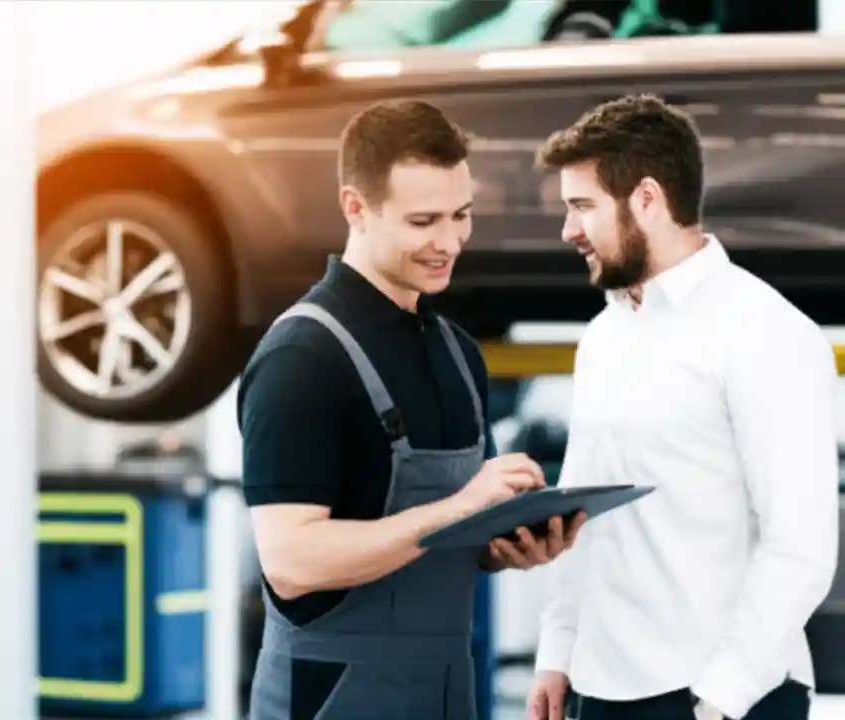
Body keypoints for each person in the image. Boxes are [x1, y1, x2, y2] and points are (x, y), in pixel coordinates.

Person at [237, 98, 585, 720]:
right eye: (423, 220)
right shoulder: (302, 357)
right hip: (332, 694)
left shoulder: (458, 356)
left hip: (448, 688)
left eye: (461, 215)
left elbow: (447, 539)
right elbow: (291, 563)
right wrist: (460, 508)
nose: (448, 242)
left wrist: (507, 543)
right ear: (355, 208)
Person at [526, 94, 840, 720]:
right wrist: (557, 652)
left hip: (721, 695)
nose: (567, 230)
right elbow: (582, 511)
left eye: (582, 206)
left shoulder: (766, 332)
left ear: (647, 198)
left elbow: (800, 546)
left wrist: (720, 697)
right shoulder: (604, 336)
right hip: (601, 689)